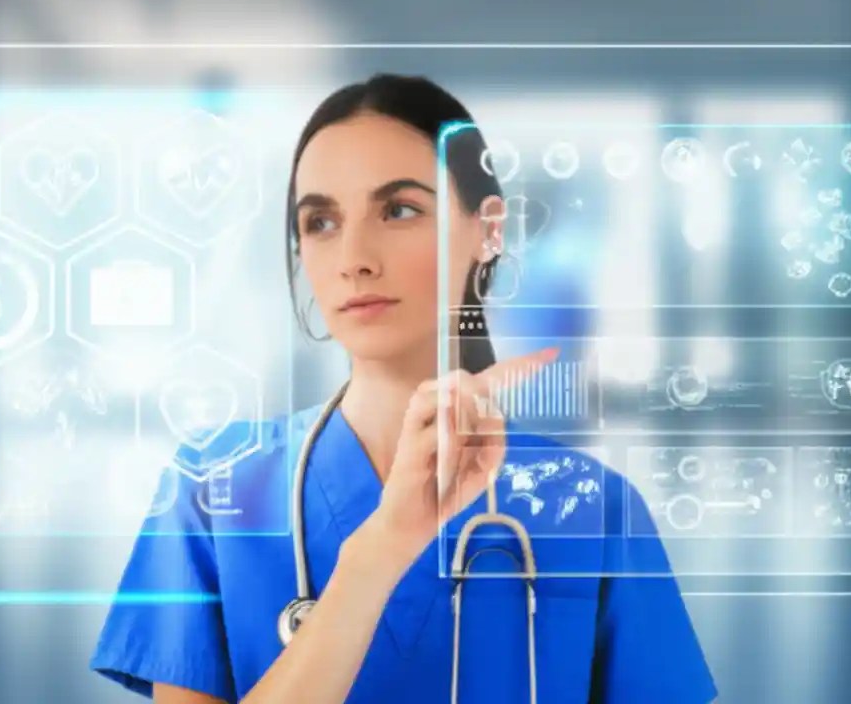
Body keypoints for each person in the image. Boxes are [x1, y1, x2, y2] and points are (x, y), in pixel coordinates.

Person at [91, 73, 718, 703]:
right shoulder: (212, 488)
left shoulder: (593, 509)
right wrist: (380, 549)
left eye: (399, 210)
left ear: (486, 230)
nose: (354, 257)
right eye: (321, 221)